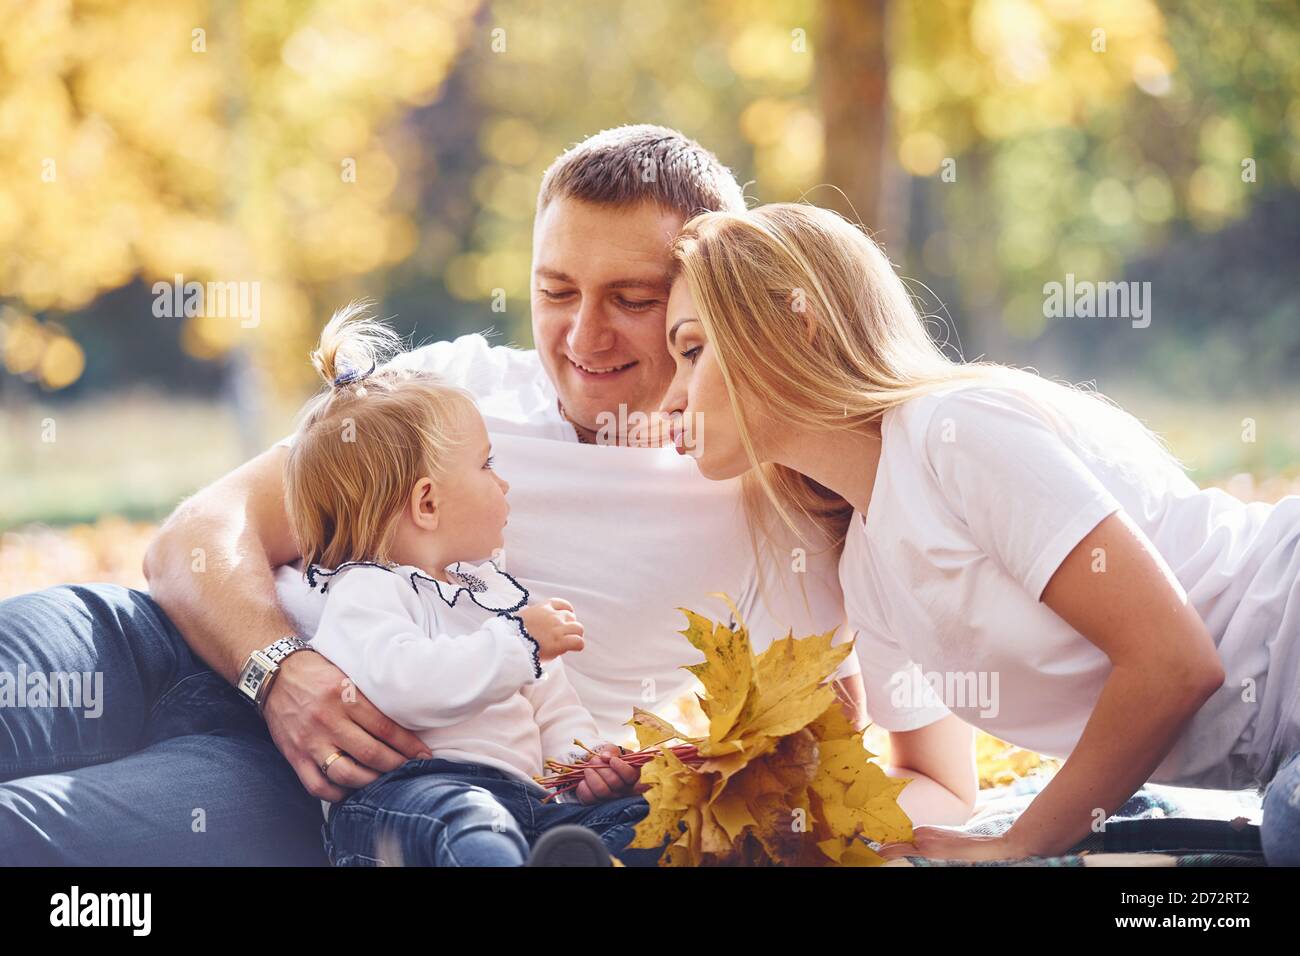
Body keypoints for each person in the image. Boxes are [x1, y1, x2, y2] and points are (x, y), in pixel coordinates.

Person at [0, 126, 867, 865]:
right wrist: (282, 673)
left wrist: (642, 767)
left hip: (351, 784)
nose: (583, 334)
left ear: (700, 290)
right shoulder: (451, 382)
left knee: (28, 839)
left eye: (631, 300)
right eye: (556, 291)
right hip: (164, 640)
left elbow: (815, 741)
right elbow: (200, 532)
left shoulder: (757, 495)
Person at [656, 201, 1300, 864]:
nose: (669, 397)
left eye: (692, 350)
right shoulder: (871, 566)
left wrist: (1023, 842)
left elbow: (1175, 662)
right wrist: (772, 818)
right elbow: (936, 784)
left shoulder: (955, 432)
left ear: (798, 325)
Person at [283, 304, 653, 866]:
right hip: (410, 796)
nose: (502, 482)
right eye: (486, 466)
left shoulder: (492, 591)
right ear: (427, 503)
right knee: (470, 822)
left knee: (638, 820)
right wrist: (518, 644)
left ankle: (574, 855)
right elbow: (408, 683)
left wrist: (587, 763)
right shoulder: (365, 593)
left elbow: (550, 704)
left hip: (528, 800)